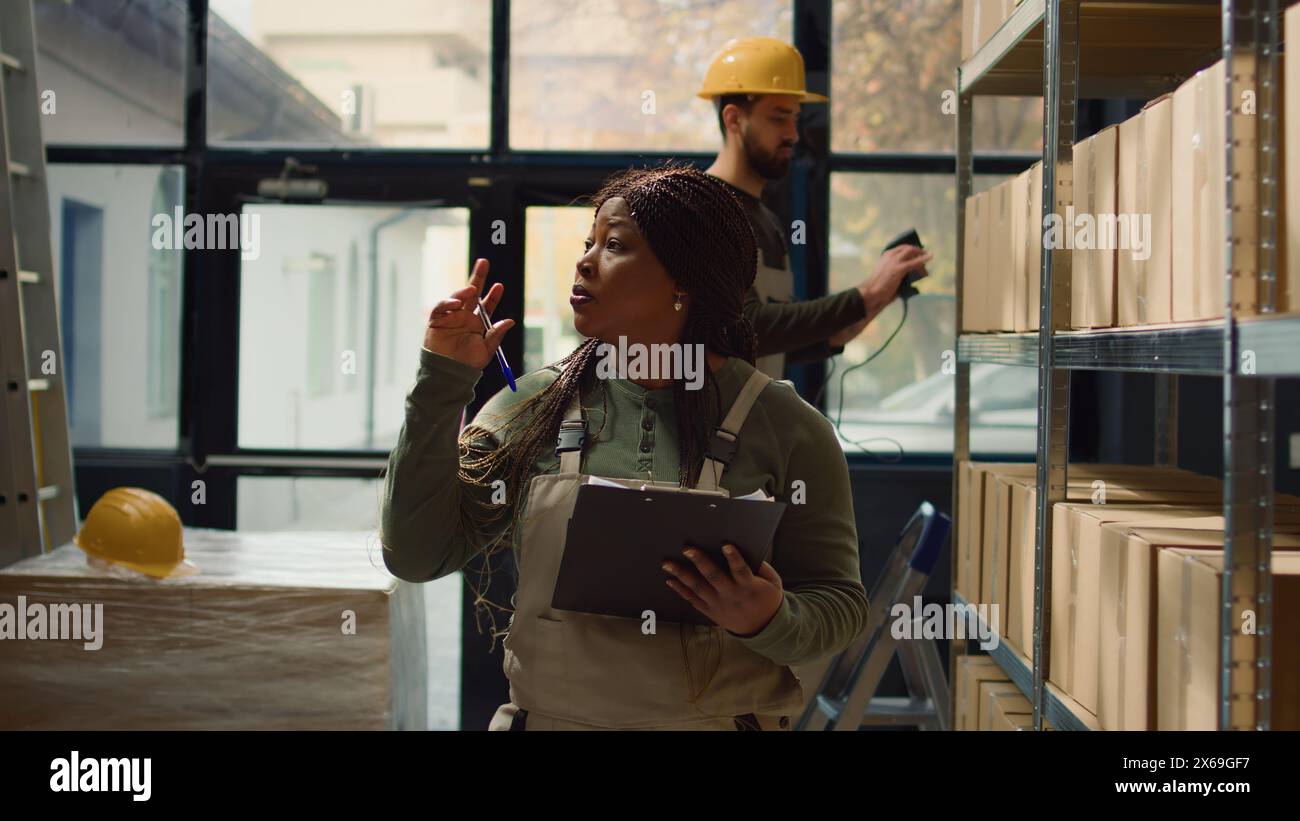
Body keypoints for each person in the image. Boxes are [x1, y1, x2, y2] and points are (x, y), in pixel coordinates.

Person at [381, 165, 868, 730]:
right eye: (588, 243)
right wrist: (442, 382)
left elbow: (840, 605)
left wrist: (768, 617)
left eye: (614, 246)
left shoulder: (786, 427)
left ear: (686, 279)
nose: (584, 261)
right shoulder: (534, 404)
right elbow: (415, 556)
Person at [698, 36, 933, 378]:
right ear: (734, 119)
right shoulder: (704, 208)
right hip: (711, 429)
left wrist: (870, 305)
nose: (793, 133)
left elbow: (773, 343)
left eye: (795, 117)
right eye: (779, 118)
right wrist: (865, 294)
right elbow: (745, 326)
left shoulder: (767, 220)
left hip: (750, 424)